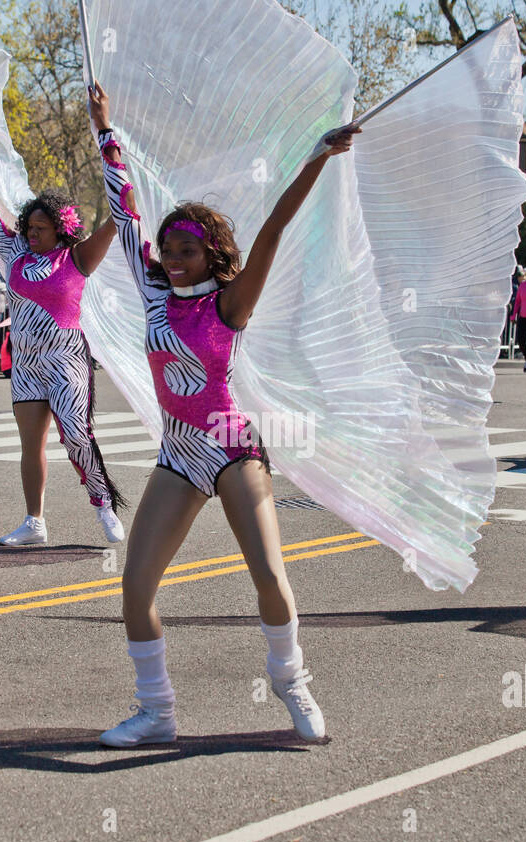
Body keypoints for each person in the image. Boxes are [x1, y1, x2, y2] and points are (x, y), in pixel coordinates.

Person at [87, 82, 358, 747]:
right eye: (168, 252)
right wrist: (105, 132)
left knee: (267, 574)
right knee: (135, 586)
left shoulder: (229, 305)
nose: (173, 262)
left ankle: (291, 682)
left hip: (231, 445)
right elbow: (125, 210)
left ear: (212, 255)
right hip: (179, 452)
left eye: (187, 253)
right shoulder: (154, 294)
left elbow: (273, 228)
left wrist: (319, 159)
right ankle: (157, 712)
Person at [0, 140, 126, 546]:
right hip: (27, 366)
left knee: (75, 433)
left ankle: (102, 501)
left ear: (60, 228)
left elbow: (119, 219)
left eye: (40, 229)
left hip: (67, 359)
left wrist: (118, 164)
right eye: (28, 227)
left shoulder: (78, 258)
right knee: (30, 444)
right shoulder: (15, 252)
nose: (30, 233)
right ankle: (34, 522)